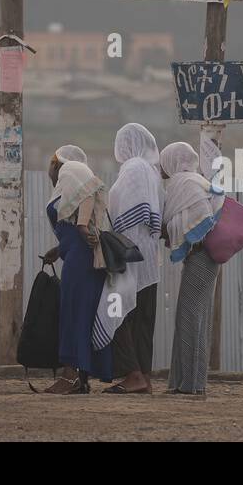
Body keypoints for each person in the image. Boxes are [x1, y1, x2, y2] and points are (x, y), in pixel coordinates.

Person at [42, 148, 112, 394]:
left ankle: (70, 376)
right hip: (76, 253)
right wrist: (59, 249)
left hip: (81, 258)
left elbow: (90, 190)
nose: (49, 172)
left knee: (73, 311)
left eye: (50, 165)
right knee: (81, 313)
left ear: (57, 163)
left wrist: (82, 225)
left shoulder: (72, 169)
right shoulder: (67, 185)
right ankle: (80, 378)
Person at [160, 142, 225, 395]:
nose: (161, 167)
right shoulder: (191, 180)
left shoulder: (185, 182)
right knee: (194, 316)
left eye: (164, 161)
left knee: (190, 317)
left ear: (173, 161)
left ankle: (192, 383)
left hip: (201, 256)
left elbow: (202, 216)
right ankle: (185, 381)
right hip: (201, 257)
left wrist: (184, 235)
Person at [104, 124, 163, 395]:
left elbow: (126, 209)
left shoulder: (133, 168)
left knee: (118, 312)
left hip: (129, 251)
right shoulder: (151, 171)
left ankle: (133, 374)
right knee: (143, 317)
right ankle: (145, 378)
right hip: (148, 254)